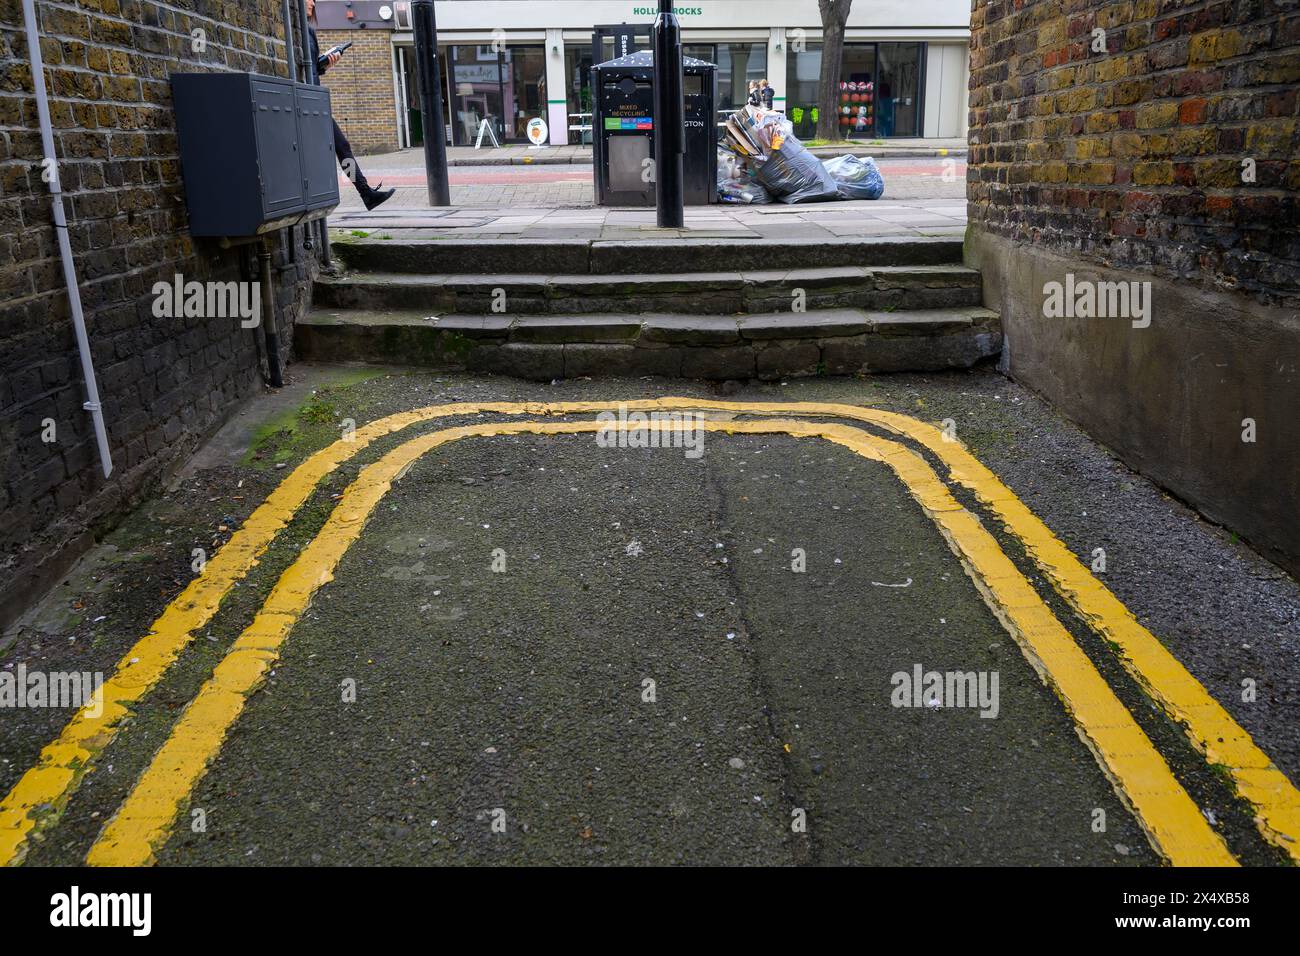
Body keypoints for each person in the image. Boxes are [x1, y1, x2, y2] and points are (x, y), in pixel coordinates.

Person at [306, 0, 394, 210]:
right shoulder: (299, 32)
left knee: (342, 146)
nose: (311, 2)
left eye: (314, 0)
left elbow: (309, 70)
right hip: (308, 103)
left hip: (314, 101)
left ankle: (366, 194)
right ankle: (365, 194)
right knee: (335, 148)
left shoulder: (308, 31)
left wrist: (325, 63)